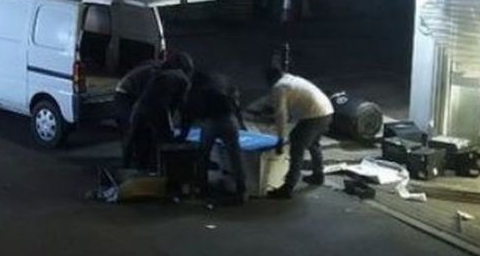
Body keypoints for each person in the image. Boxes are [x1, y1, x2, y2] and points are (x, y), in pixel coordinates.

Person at [262, 67, 334, 199]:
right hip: (327, 111)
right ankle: (318, 175)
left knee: (296, 146)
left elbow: (281, 114)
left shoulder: (279, 87)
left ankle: (288, 187)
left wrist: (280, 138)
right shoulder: (292, 79)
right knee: (313, 144)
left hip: (314, 115)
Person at [180, 70, 247, 203]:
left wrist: (183, 136)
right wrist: (241, 124)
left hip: (211, 122)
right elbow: (235, 105)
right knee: (235, 155)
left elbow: (187, 116)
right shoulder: (220, 86)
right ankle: (241, 188)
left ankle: (203, 188)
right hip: (229, 119)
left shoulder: (195, 92)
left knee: (203, 154)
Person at [120, 51, 194, 170]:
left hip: (139, 107)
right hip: (156, 109)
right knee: (164, 141)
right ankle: (163, 170)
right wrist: (184, 131)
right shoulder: (183, 80)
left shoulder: (160, 73)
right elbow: (182, 108)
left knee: (134, 138)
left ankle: (128, 170)